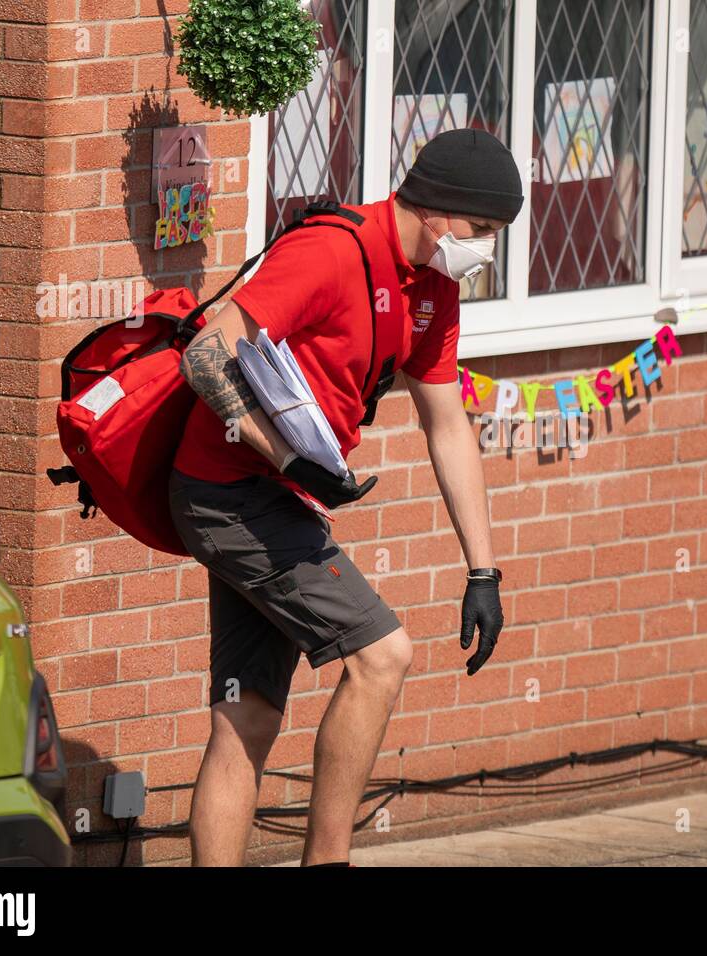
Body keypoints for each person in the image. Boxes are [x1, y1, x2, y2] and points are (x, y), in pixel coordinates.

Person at [168, 129, 522, 867]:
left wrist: (483, 572)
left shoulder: (434, 290)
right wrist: (288, 455)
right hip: (229, 492)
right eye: (484, 231)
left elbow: (447, 423)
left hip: (274, 497)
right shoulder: (333, 252)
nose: (486, 250)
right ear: (442, 212)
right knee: (382, 655)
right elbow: (207, 348)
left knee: (246, 721)